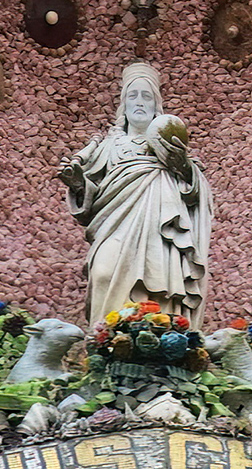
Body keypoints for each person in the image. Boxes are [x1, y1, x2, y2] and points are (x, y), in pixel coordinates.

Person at [58, 62, 212, 327]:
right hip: (115, 224)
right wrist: (78, 184)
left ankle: (165, 350)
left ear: (156, 105)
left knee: (160, 285)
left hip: (162, 228)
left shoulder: (167, 143)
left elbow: (196, 192)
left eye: (147, 96)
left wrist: (181, 165)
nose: (139, 102)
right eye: (133, 95)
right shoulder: (107, 147)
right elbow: (90, 201)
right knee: (104, 272)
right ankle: (103, 347)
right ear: (124, 105)